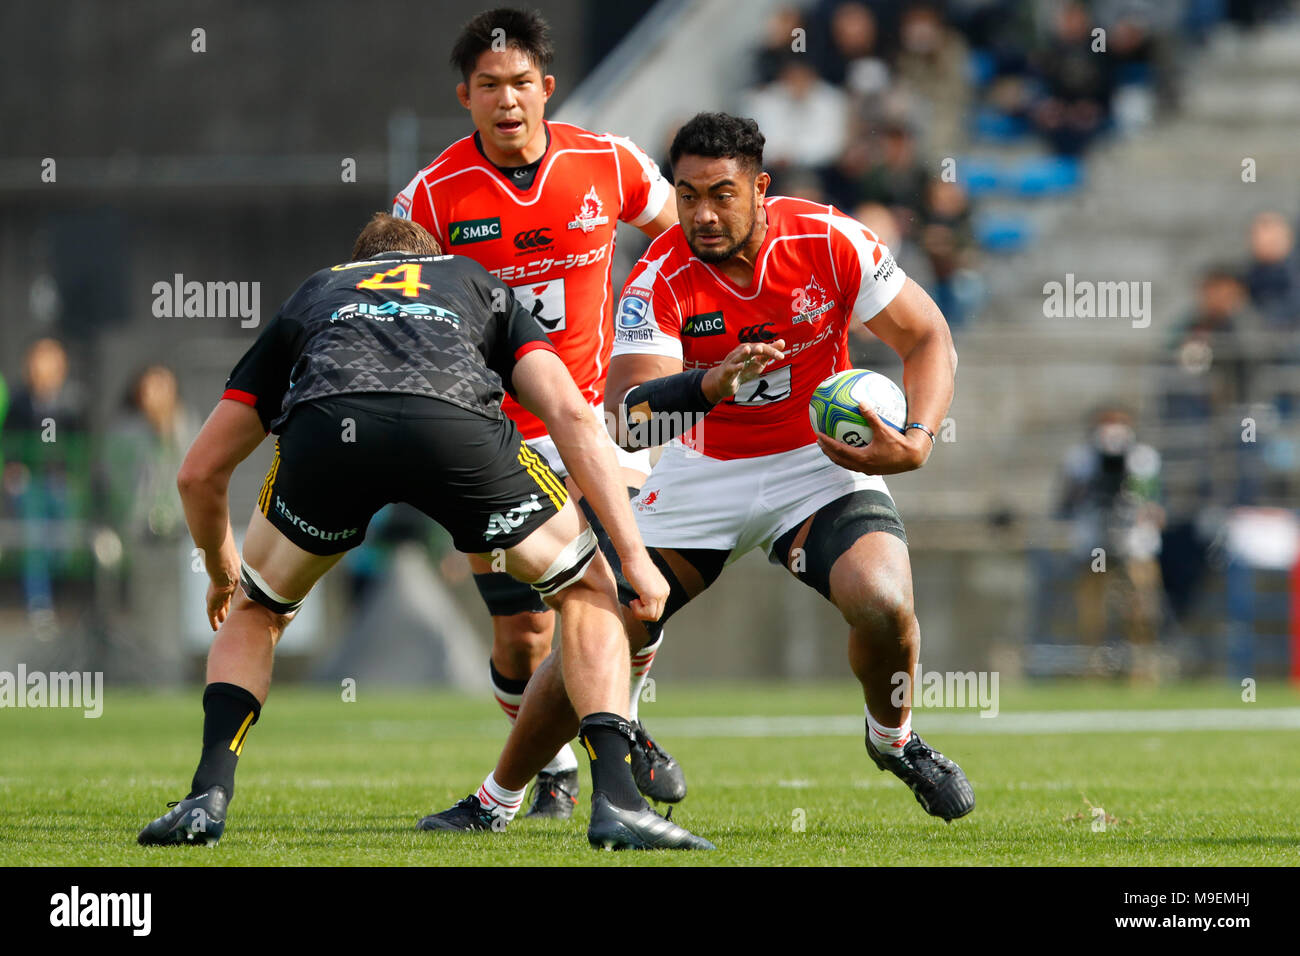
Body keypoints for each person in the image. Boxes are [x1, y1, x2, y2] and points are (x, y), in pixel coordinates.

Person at [422, 112, 974, 836]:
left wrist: (919, 439)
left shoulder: (830, 238)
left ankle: (893, 740)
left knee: (883, 599)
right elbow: (629, 418)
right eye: (686, 196)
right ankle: (494, 800)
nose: (702, 215)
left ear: (761, 189)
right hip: (701, 471)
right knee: (605, 621)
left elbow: (927, 335)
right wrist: (709, 386)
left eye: (721, 194)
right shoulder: (660, 275)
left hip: (817, 464)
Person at [137, 213, 711, 851]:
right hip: (454, 430)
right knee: (586, 590)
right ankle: (618, 800)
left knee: (258, 611)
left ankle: (207, 796)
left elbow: (197, 473)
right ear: (429, 257)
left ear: (361, 263)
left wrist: (223, 572)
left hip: (331, 430)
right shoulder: (470, 278)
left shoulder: (318, 290)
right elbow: (571, 413)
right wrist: (633, 556)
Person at [392, 7, 685, 818]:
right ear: (466, 97)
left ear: (546, 86)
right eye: (489, 85)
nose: (507, 99)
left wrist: (656, 334)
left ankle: (623, 725)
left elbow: (680, 240)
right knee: (524, 636)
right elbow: (393, 307)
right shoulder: (431, 197)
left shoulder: (607, 161)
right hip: (490, 439)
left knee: (626, 590)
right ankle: (552, 762)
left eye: (521, 82)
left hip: (592, 425)